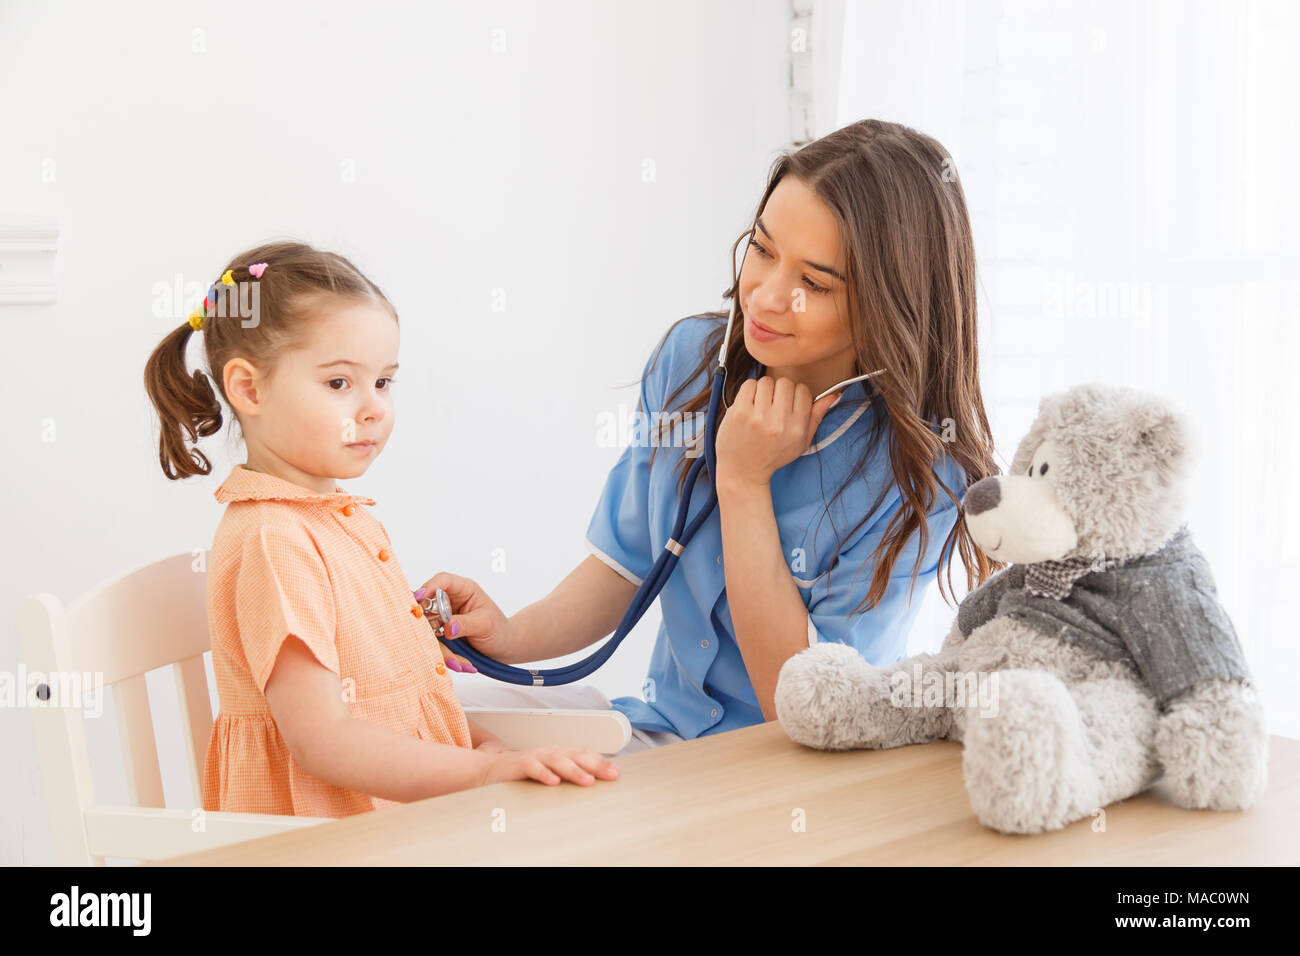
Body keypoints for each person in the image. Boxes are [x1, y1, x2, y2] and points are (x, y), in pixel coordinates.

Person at [423, 119, 1001, 753]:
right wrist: (510, 637)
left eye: (813, 284)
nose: (767, 296)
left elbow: (801, 702)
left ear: (894, 302)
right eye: (761, 248)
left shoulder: (923, 476)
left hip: (798, 767)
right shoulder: (691, 363)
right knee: (419, 712)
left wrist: (744, 480)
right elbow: (627, 566)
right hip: (657, 732)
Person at [143, 241, 618, 817]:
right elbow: (325, 739)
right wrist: (483, 770)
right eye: (340, 383)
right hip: (321, 841)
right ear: (249, 388)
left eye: (384, 382)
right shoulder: (275, 540)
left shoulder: (341, 520)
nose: (373, 408)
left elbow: (384, 702)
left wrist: (476, 744)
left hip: (388, 823)